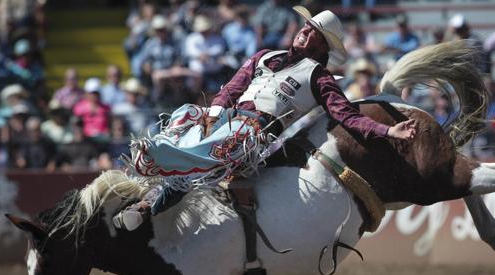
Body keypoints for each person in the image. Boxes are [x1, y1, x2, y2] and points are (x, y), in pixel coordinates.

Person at [114, 7, 417, 231]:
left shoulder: (320, 78)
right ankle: (143, 179)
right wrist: (214, 114)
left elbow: (347, 117)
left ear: (324, 47)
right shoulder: (263, 56)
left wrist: (389, 130)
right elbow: (232, 89)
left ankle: (145, 207)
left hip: (253, 135)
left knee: (214, 152)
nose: (305, 31)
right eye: (306, 26)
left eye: (314, 33)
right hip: (224, 119)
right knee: (186, 115)